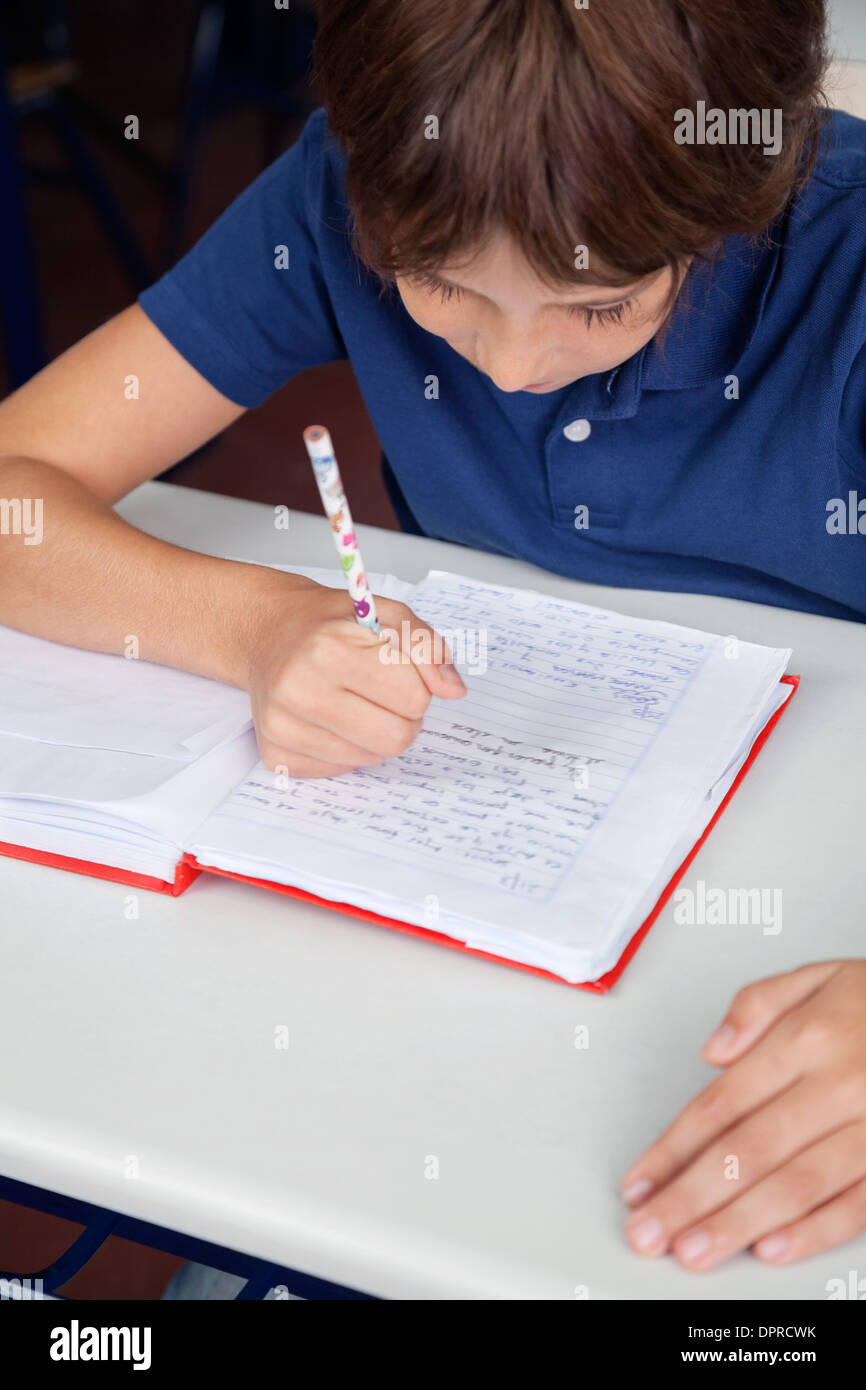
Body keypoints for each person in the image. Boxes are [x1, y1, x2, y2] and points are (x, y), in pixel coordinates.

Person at [1, 0, 864, 1278]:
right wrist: (256, 625)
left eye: (600, 305)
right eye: (442, 290)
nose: (513, 367)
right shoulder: (344, 193)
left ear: (741, 200)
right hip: (466, 942)